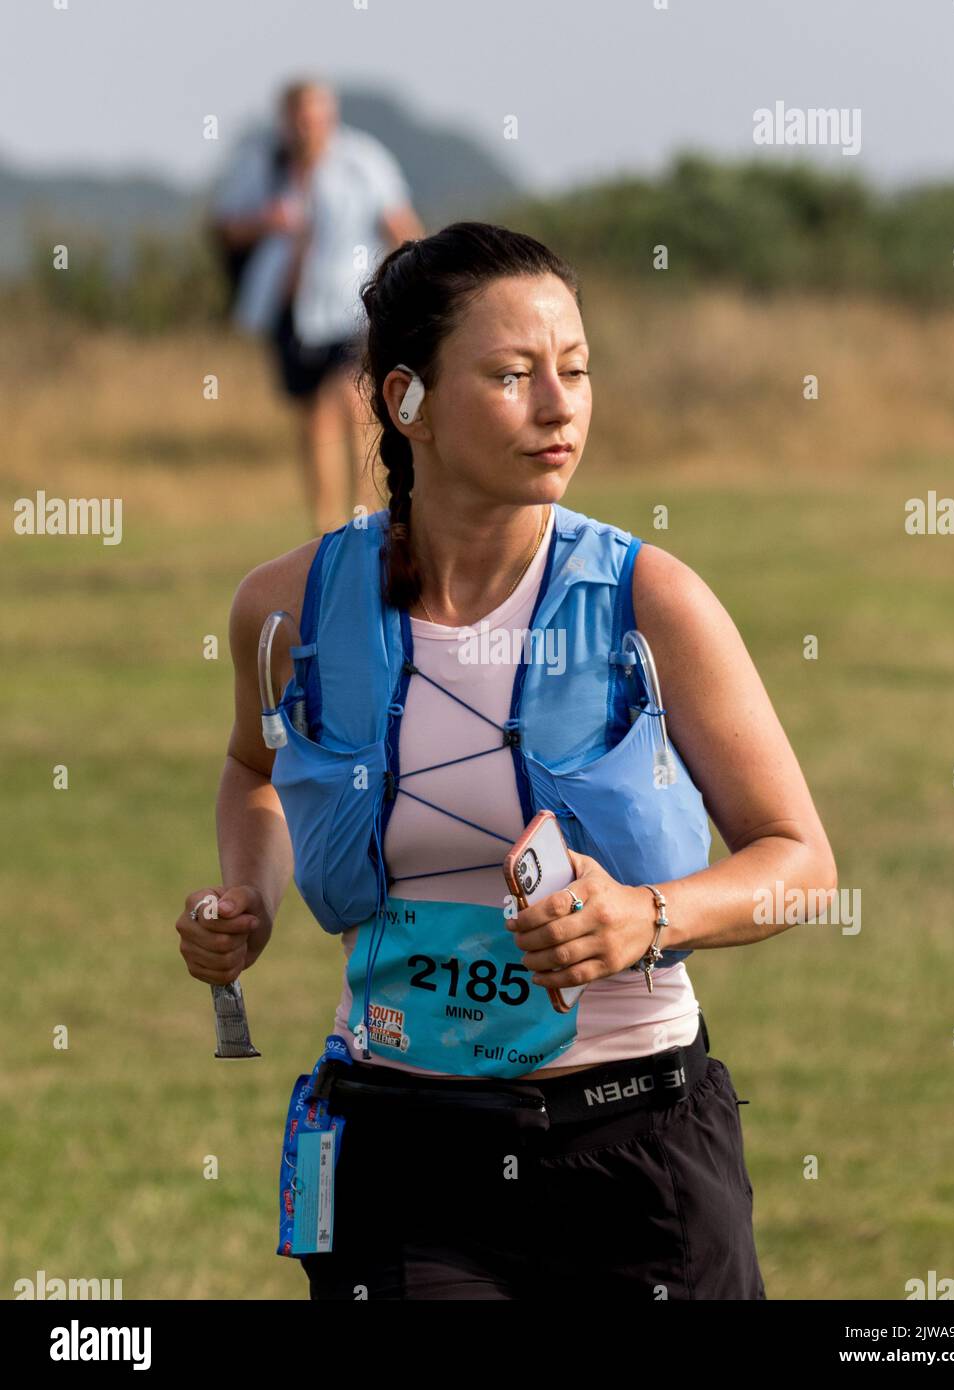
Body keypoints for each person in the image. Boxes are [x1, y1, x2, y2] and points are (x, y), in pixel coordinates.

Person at [176, 221, 837, 1300]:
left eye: (574, 370)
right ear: (408, 402)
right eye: (512, 373)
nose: (558, 404)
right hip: (398, 1147)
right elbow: (254, 768)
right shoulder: (286, 606)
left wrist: (647, 917)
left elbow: (802, 863)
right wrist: (246, 897)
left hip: (637, 1147)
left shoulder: (648, 599)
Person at [208, 78, 425, 532]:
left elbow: (398, 224)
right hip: (290, 311)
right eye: (299, 120)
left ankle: (367, 511)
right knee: (313, 416)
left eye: (316, 118)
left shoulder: (361, 161)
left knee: (350, 398)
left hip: (352, 304)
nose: (308, 129)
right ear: (286, 122)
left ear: (331, 117)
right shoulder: (265, 166)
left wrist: (424, 282)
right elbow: (226, 228)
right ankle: (326, 524)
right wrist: (266, 220)